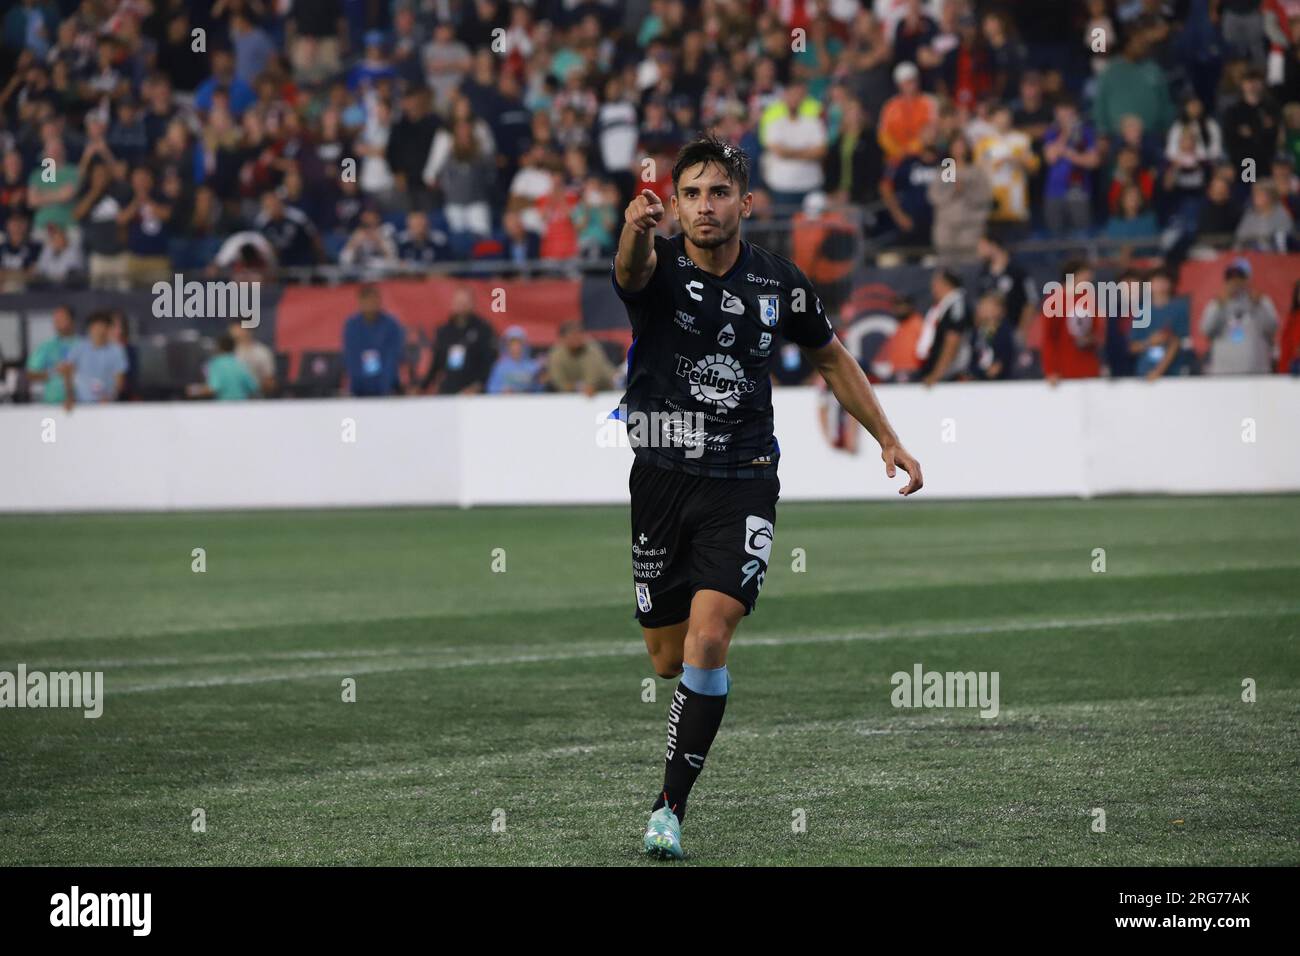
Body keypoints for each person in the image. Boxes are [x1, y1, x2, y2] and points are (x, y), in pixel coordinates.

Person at [611, 135, 922, 861]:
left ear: (745, 203)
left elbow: (830, 356)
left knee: (710, 635)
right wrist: (633, 229)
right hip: (659, 474)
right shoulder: (659, 269)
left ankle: (668, 809)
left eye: (718, 192)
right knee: (665, 659)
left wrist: (886, 436)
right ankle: (688, 717)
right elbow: (631, 271)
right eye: (690, 194)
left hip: (744, 476)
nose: (704, 206)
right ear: (676, 205)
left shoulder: (781, 283)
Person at [1200, 257, 1279, 374]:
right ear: (1226, 282)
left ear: (1247, 280)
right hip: (1224, 373)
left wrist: (1259, 304)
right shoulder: (1216, 303)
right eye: (1231, 279)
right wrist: (1220, 305)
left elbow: (1272, 328)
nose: (1236, 282)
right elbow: (1206, 331)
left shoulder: (1261, 301)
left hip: (1256, 371)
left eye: (1239, 278)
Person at [420, 287, 498, 394]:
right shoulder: (444, 331)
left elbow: (489, 362)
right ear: (453, 304)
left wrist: (478, 386)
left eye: (465, 302)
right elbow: (436, 363)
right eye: (459, 302)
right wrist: (422, 387)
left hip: (474, 393)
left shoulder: (483, 330)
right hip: (448, 390)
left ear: (472, 304)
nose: (461, 306)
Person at [342, 284, 405, 396]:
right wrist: (357, 387)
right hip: (359, 387)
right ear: (360, 302)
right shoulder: (352, 325)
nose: (370, 304)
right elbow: (351, 357)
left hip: (386, 387)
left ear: (379, 301)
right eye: (367, 300)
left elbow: (392, 357)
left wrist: (385, 386)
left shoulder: (391, 325)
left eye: (374, 299)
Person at [58, 310, 127, 409]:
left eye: (103, 327)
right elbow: (68, 372)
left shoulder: (116, 350)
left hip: (107, 405)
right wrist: (69, 397)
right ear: (90, 328)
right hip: (81, 404)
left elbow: (119, 380)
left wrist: (110, 397)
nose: (99, 331)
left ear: (108, 329)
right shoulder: (79, 348)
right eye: (96, 327)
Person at [916, 268, 972, 384]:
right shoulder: (943, 306)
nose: (932, 288)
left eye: (935, 283)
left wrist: (937, 374)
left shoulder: (956, 305)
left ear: (945, 284)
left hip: (950, 377)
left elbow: (952, 341)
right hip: (944, 374)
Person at [545, 320, 616, 395]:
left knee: (623, 402)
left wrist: (589, 385)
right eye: (572, 335)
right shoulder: (556, 354)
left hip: (606, 389)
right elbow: (558, 379)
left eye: (579, 334)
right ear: (562, 338)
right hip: (570, 394)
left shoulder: (592, 349)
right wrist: (576, 387)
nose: (577, 338)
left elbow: (594, 373)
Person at [25, 303, 77, 404]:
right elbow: (30, 374)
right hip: (52, 404)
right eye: (56, 319)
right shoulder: (46, 347)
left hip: (83, 404)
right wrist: (53, 372)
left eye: (62, 319)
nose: (58, 322)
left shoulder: (83, 345)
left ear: (72, 320)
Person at [188, 334, 259, 400]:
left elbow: (213, 388)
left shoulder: (216, 364)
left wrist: (194, 391)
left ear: (219, 347)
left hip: (224, 409)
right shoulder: (240, 363)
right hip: (243, 408)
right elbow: (253, 386)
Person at [486, 326, 543, 393]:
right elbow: (491, 388)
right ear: (506, 346)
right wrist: (502, 391)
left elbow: (540, 390)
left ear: (525, 345)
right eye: (512, 344)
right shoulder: (499, 367)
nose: (515, 347)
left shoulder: (534, 366)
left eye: (519, 343)